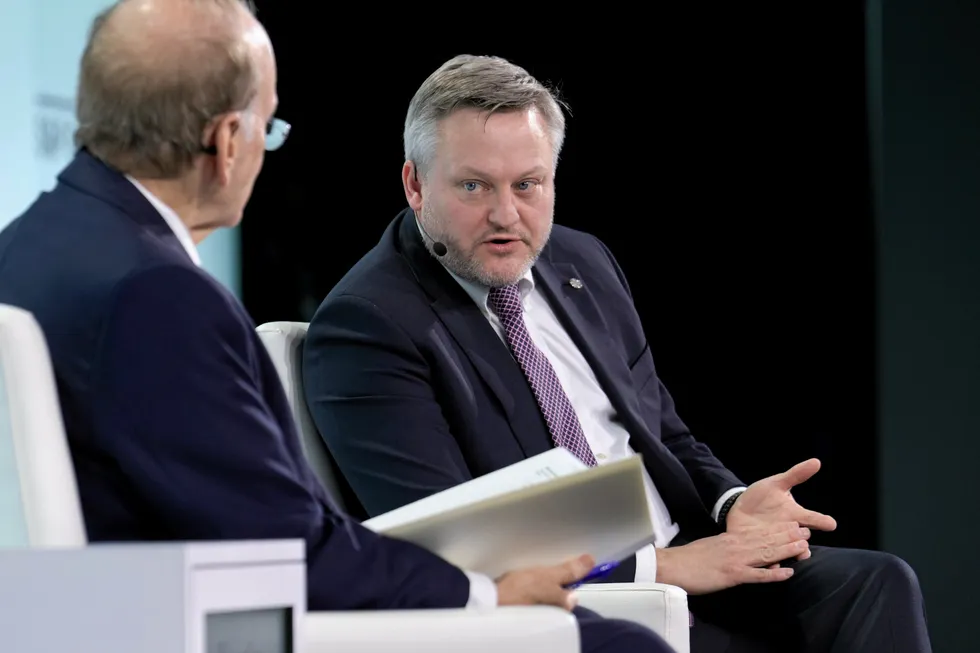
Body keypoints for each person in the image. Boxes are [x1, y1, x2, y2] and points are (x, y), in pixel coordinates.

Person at [0, 3, 672, 651]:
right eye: (270, 127)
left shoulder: (22, 247)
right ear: (229, 142)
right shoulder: (162, 296)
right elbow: (288, 552)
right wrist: (486, 593)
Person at [302, 54, 932, 653]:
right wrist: (661, 568)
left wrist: (731, 503)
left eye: (529, 184)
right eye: (474, 186)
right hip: (576, 601)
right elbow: (451, 544)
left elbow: (665, 433)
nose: (506, 215)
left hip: (689, 553)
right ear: (415, 184)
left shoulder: (582, 261)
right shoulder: (368, 325)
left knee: (880, 582)